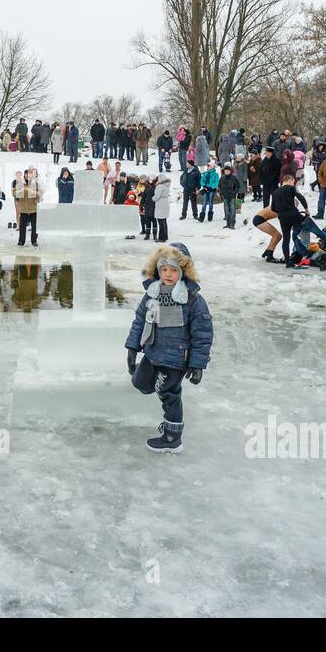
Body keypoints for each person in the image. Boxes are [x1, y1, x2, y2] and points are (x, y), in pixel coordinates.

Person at [124, 243, 213, 453]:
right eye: (164, 269)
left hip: (176, 358)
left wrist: (197, 364)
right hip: (153, 351)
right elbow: (139, 320)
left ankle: (172, 437)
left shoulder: (192, 300)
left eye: (174, 270)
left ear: (183, 272)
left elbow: (202, 334)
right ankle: (155, 384)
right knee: (140, 382)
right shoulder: (152, 294)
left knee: (168, 392)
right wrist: (132, 347)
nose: (168, 274)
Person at [13, 167, 41, 247]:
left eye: (29, 174)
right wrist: (21, 191)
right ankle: (21, 241)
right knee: (22, 226)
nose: (28, 175)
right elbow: (14, 194)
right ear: (24, 175)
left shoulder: (36, 184)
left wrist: (32, 191)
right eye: (26, 174)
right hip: (24, 209)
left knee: (34, 226)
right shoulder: (19, 184)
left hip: (33, 208)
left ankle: (34, 241)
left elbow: (39, 194)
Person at [153, 173, 172, 242]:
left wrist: (153, 198)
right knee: (164, 221)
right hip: (165, 202)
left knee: (160, 221)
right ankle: (165, 236)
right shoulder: (167, 186)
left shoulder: (160, 186)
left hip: (160, 203)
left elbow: (157, 196)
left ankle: (161, 237)